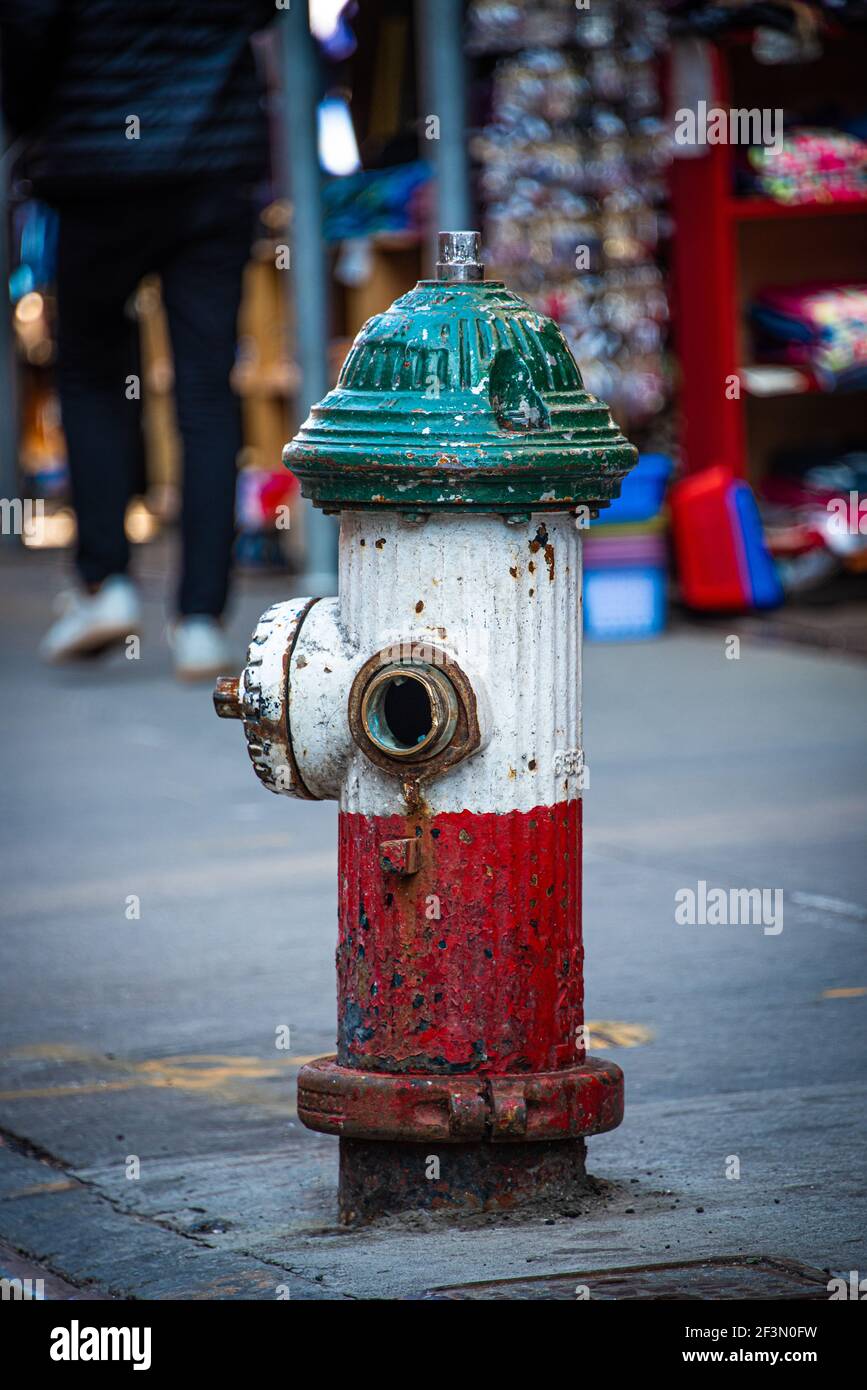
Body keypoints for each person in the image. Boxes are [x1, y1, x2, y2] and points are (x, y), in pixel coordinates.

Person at [1, 0, 275, 678]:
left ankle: (106, 583)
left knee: (93, 374)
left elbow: (27, 30)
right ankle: (201, 621)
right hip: (212, 159)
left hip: (97, 167)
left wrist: (35, 119)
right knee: (206, 390)